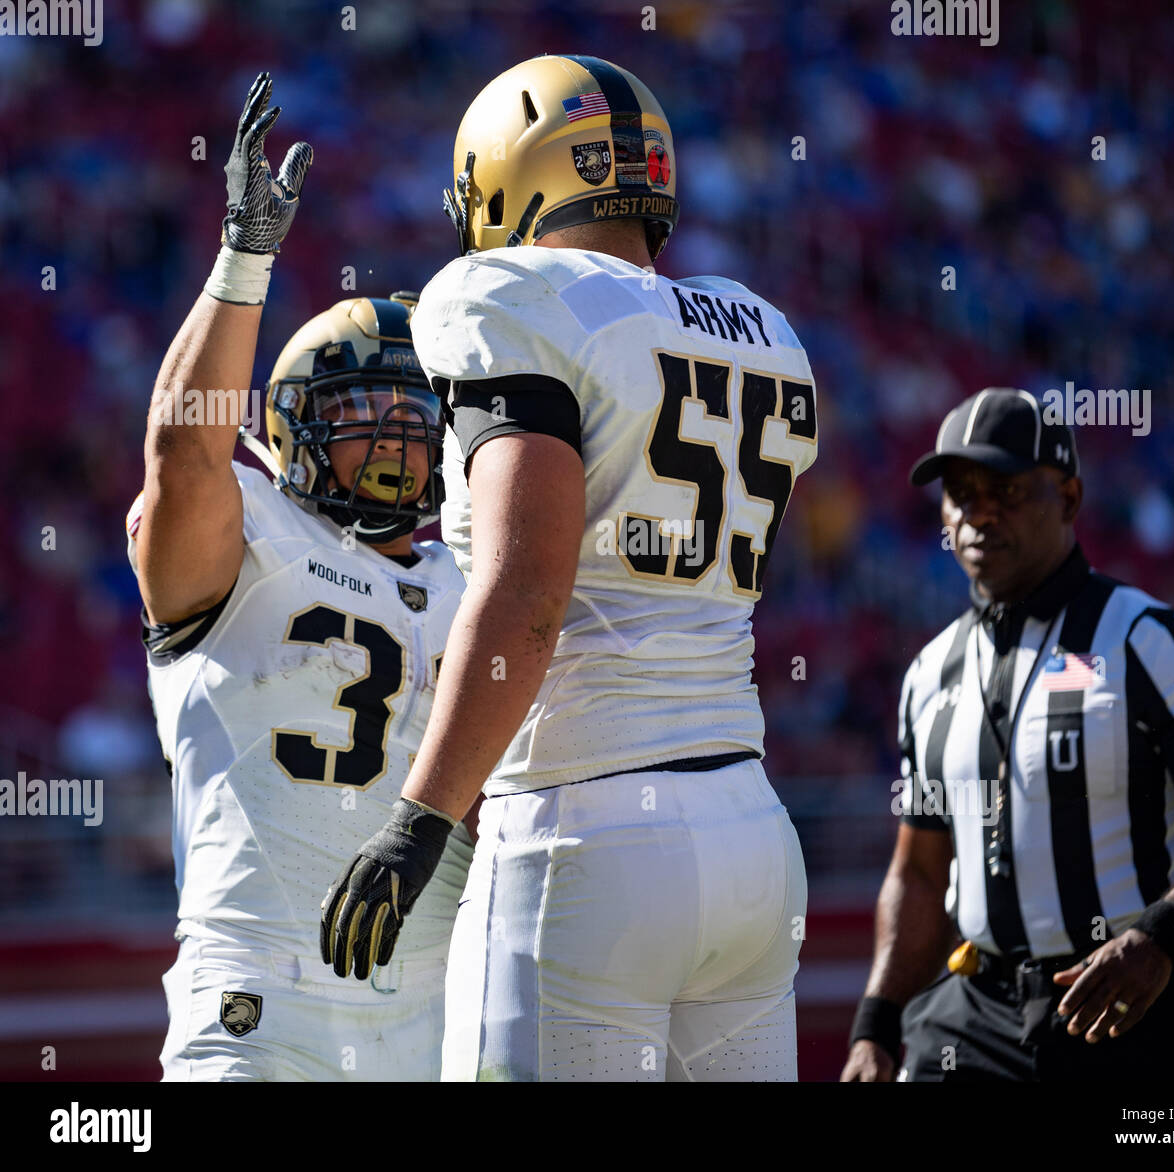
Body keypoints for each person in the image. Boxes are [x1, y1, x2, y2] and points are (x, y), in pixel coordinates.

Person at [321, 54, 818, 1082]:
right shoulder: (758, 325)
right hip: (751, 832)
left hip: (583, 829)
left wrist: (416, 821)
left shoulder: (506, 294)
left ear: (508, 172)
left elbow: (529, 591)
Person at [129, 73, 472, 1081]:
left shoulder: (479, 578)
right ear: (292, 421)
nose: (396, 441)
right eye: (366, 410)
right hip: (256, 1000)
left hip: (430, 1011)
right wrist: (246, 257)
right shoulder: (249, 527)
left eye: (416, 418)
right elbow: (182, 454)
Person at [841, 388, 1174, 1083]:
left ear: (1069, 499)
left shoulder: (1153, 640)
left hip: (1146, 1003)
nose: (977, 512)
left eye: (1006, 489)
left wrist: (1158, 940)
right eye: (960, 493)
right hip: (979, 1015)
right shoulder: (929, 672)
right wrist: (876, 1024)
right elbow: (920, 871)